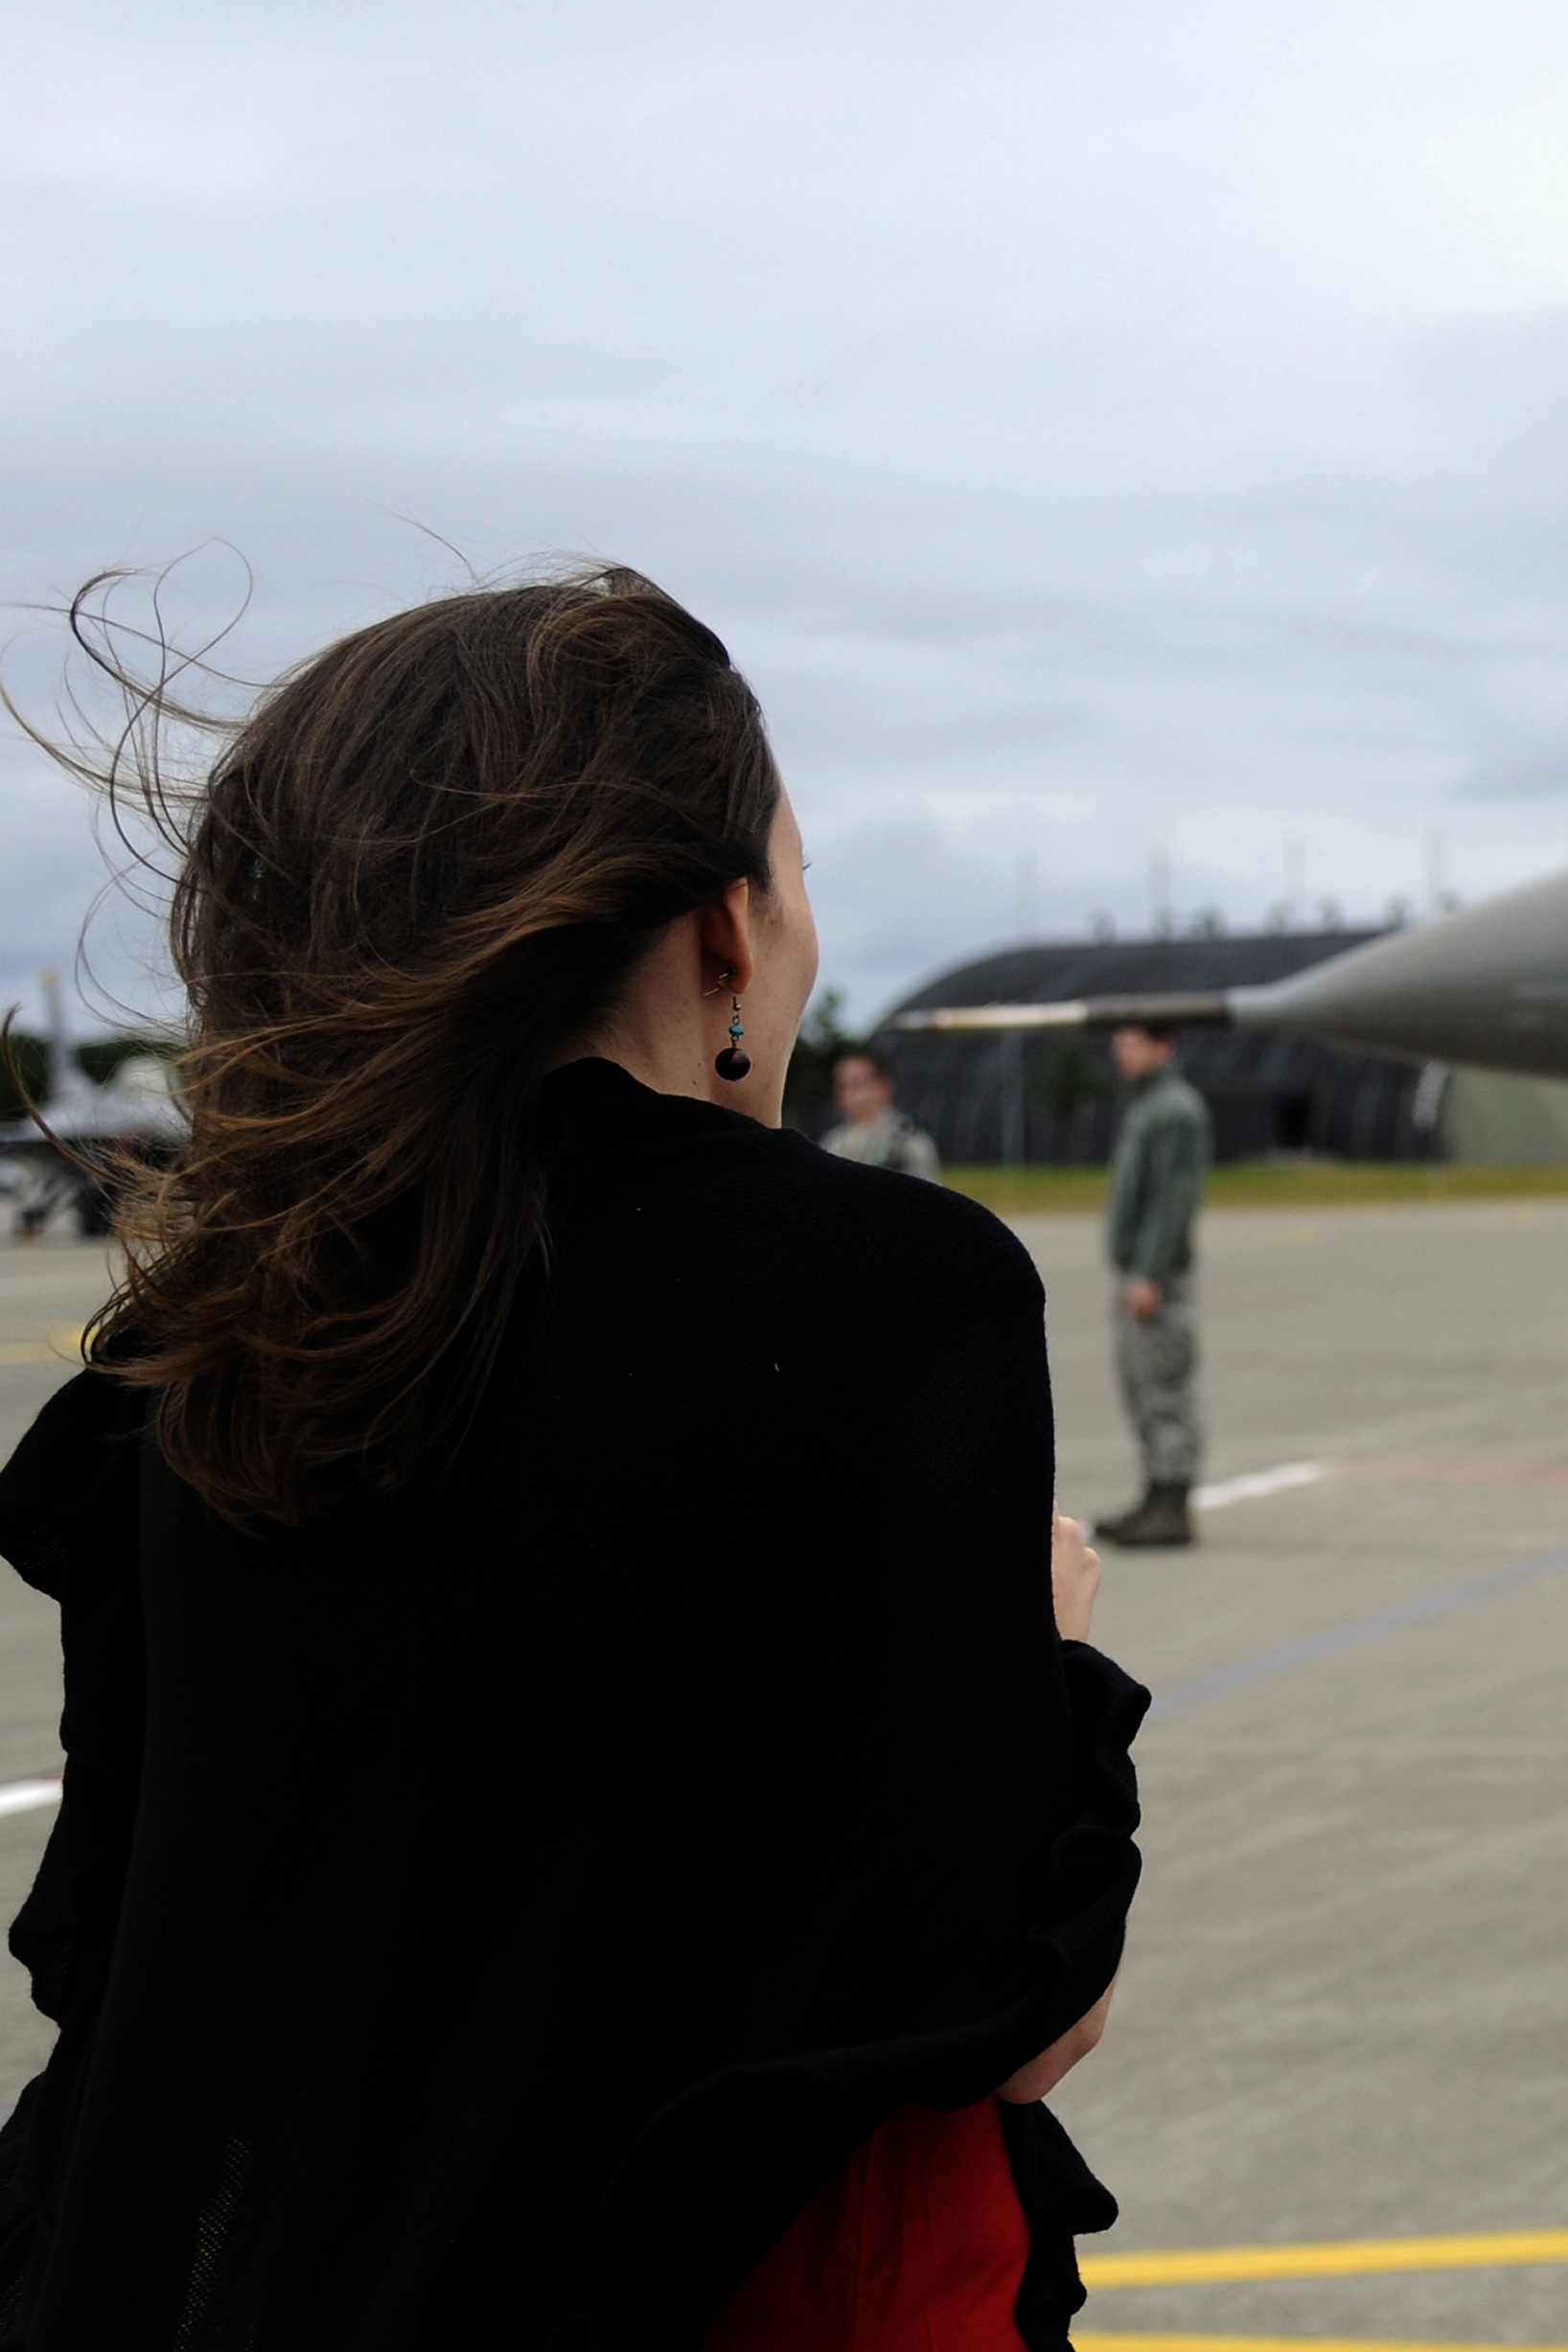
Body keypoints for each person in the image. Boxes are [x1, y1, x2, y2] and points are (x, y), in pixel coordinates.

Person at [0, 569, 1143, 2345]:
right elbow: (1008, 2015)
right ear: (719, 930)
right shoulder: (884, 1294)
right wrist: (1048, 1653)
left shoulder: (212, 1342)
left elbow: (129, 1978)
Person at [1095, 1023, 1208, 1551]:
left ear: (1166, 1045)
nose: (1121, 1050)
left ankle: (1173, 1504)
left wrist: (1150, 1273)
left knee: (1164, 1389)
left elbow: (1172, 1197)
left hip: (1154, 1277)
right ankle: (1154, 1493)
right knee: (1140, 1387)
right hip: (1138, 1272)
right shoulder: (1149, 1106)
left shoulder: (1174, 1110)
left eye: (1133, 1041)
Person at [821, 1044, 943, 1180]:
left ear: (883, 1087)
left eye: (855, 1083)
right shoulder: (833, 1143)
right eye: (841, 1084)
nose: (845, 1092)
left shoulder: (908, 1144)